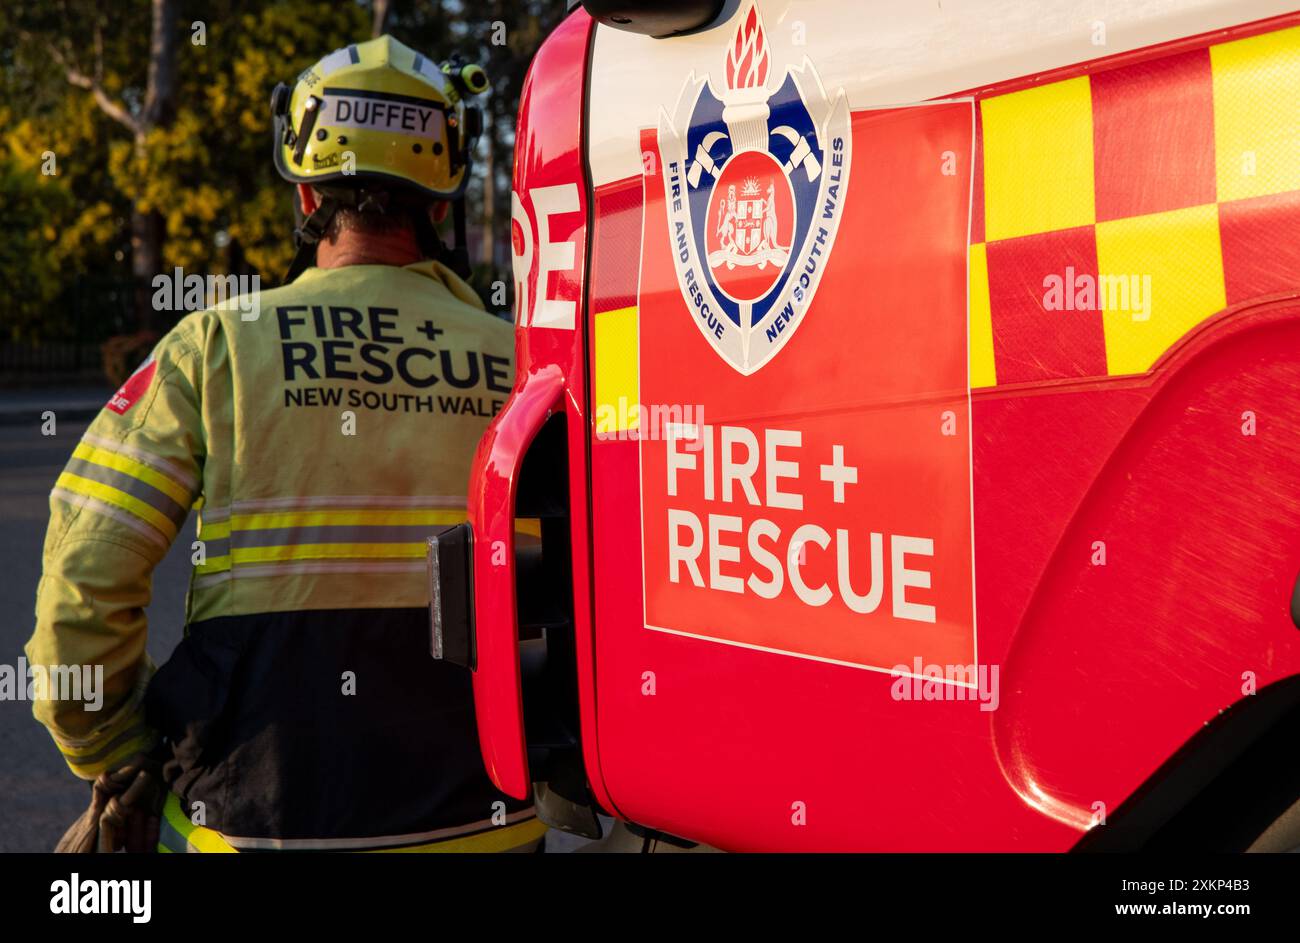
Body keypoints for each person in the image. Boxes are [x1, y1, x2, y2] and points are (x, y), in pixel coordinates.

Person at [26, 35, 543, 853]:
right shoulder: (529, 360)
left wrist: (115, 751)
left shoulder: (217, 347)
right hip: (495, 828)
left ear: (305, 199)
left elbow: (82, 587)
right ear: (441, 206)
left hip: (253, 831)